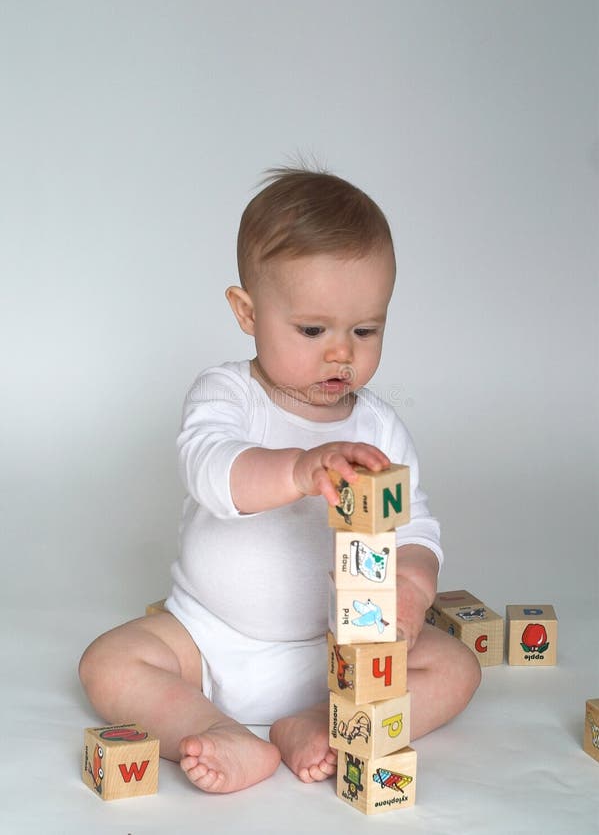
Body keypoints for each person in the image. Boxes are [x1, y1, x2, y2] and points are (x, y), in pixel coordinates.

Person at [79, 167, 481, 795]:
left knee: (455, 668)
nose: (340, 353)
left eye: (365, 330)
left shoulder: (379, 426)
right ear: (248, 312)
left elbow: (414, 521)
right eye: (313, 330)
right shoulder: (228, 393)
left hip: (338, 653)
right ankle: (214, 726)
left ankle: (320, 722)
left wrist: (411, 585)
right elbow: (211, 470)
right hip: (208, 638)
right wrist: (299, 468)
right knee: (108, 663)